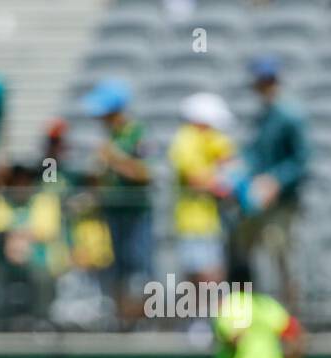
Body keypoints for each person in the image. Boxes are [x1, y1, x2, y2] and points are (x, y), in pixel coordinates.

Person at [232, 56, 308, 309]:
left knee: (281, 254)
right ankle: (254, 312)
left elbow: (302, 160)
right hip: (256, 200)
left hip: (281, 202)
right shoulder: (263, 116)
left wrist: (275, 180)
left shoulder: (290, 115)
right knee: (248, 251)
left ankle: (290, 316)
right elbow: (255, 154)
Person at [83, 78, 153, 322]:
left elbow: (146, 174)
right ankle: (121, 318)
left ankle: (141, 320)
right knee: (118, 268)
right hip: (113, 212)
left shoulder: (136, 134)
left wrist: (113, 159)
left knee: (138, 267)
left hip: (135, 214)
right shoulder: (110, 139)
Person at [169, 93, 236, 289]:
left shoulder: (206, 140)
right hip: (194, 223)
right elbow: (194, 179)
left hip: (209, 221)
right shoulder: (186, 139)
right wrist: (221, 184)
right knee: (202, 276)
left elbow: (229, 159)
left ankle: (206, 317)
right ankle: (198, 318)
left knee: (212, 275)